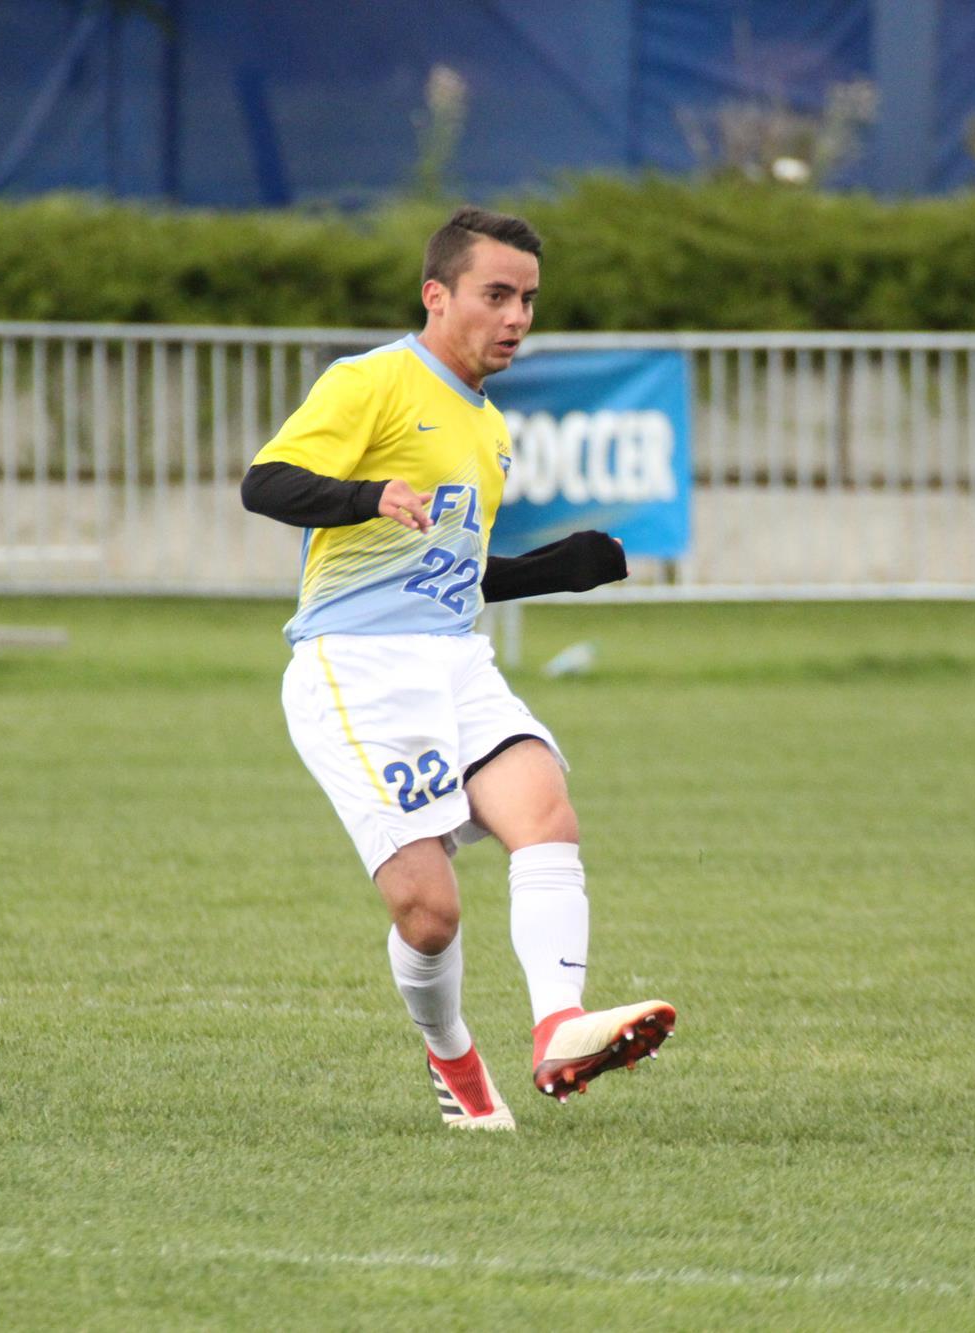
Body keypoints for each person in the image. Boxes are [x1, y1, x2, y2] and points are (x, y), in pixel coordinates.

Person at [240, 206, 676, 1130]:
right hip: (354, 671)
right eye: (496, 295)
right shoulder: (375, 381)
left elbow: (446, 575)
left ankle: (559, 1025)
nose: (516, 316)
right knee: (430, 914)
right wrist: (363, 495)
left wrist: (553, 570)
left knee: (545, 806)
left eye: (527, 299)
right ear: (437, 296)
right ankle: (451, 1056)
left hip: (453, 660)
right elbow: (266, 481)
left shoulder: (487, 428)